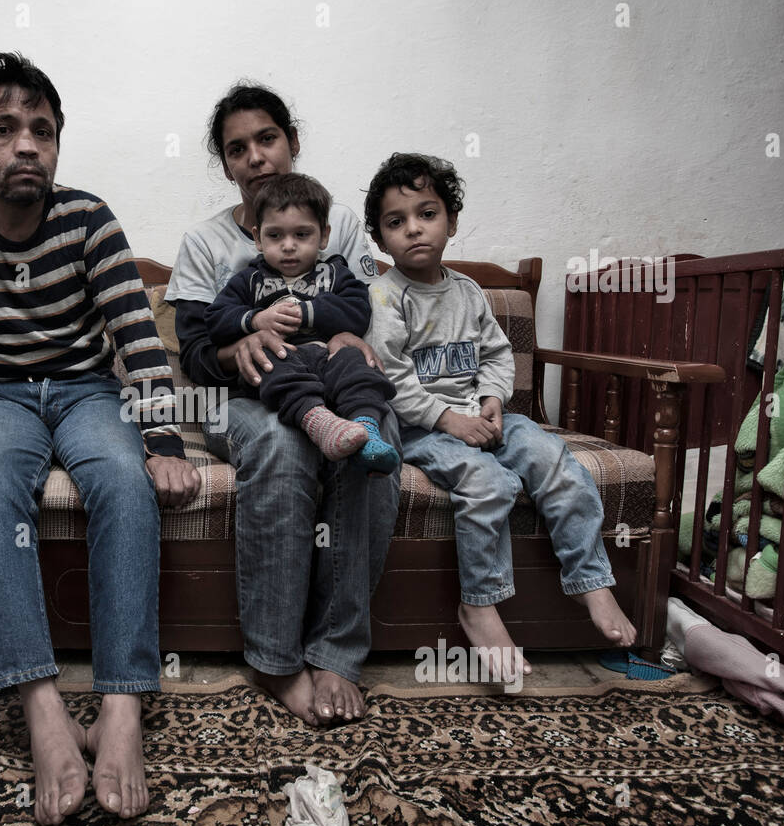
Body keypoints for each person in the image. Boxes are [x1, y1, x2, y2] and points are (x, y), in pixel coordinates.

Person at [0, 52, 201, 826]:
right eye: (4, 128)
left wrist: (163, 439)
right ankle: (42, 706)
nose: (27, 145)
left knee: (124, 482)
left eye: (43, 131)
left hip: (90, 390)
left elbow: (135, 336)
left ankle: (121, 706)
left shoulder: (88, 219)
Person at [166, 84, 400, 726]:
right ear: (226, 164)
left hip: (329, 378)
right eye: (236, 149)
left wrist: (348, 331)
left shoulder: (341, 224)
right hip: (236, 397)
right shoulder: (208, 244)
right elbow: (192, 350)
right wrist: (235, 349)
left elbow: (359, 309)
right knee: (278, 442)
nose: (255, 157)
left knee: (371, 436)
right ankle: (274, 659)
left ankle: (335, 653)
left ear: (292, 143)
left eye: (267, 139)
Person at [362, 152, 637, 680]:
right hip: (423, 428)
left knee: (552, 457)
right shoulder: (383, 296)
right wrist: (449, 421)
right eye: (396, 222)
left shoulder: (468, 292)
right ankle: (480, 604)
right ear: (379, 239)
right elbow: (390, 379)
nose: (414, 229)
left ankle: (591, 582)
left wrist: (492, 397)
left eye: (427, 213)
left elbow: (495, 354)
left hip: (485, 417)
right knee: (488, 483)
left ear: (452, 221)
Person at [204, 172, 399, 471]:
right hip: (281, 361)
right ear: (257, 238)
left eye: (302, 234)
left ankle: (366, 428)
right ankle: (318, 421)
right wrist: (255, 320)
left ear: (323, 235)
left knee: (355, 361)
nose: (288, 246)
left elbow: (359, 310)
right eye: (275, 235)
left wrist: (310, 312)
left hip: (326, 358)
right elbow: (216, 319)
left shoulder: (336, 275)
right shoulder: (250, 280)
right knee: (267, 358)